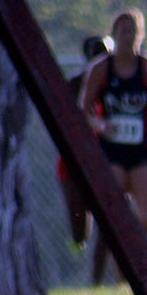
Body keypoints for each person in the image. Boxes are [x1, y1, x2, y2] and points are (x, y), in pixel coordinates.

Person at [80, 8, 147, 252]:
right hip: (111, 150)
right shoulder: (101, 69)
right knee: (113, 216)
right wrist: (101, 125)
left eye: (133, 31)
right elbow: (83, 109)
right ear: (114, 34)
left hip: (144, 150)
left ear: (141, 35)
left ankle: (131, 235)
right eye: (123, 31)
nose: (128, 36)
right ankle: (123, 269)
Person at [58, 34, 111, 251]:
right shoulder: (75, 85)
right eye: (97, 55)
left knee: (111, 223)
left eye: (106, 54)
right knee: (79, 228)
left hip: (108, 159)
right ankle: (79, 251)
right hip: (75, 161)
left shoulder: (114, 85)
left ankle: (98, 281)